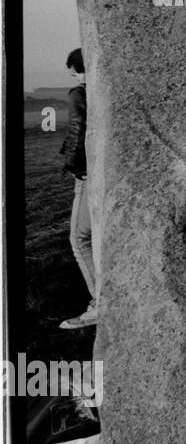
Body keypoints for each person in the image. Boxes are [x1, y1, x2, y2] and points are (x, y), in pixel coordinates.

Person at [59, 49, 97, 330]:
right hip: (101, 171)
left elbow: (77, 128)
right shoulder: (101, 91)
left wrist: (73, 164)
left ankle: (101, 302)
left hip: (86, 175)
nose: (72, 76)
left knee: (79, 237)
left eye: (73, 70)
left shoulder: (79, 94)